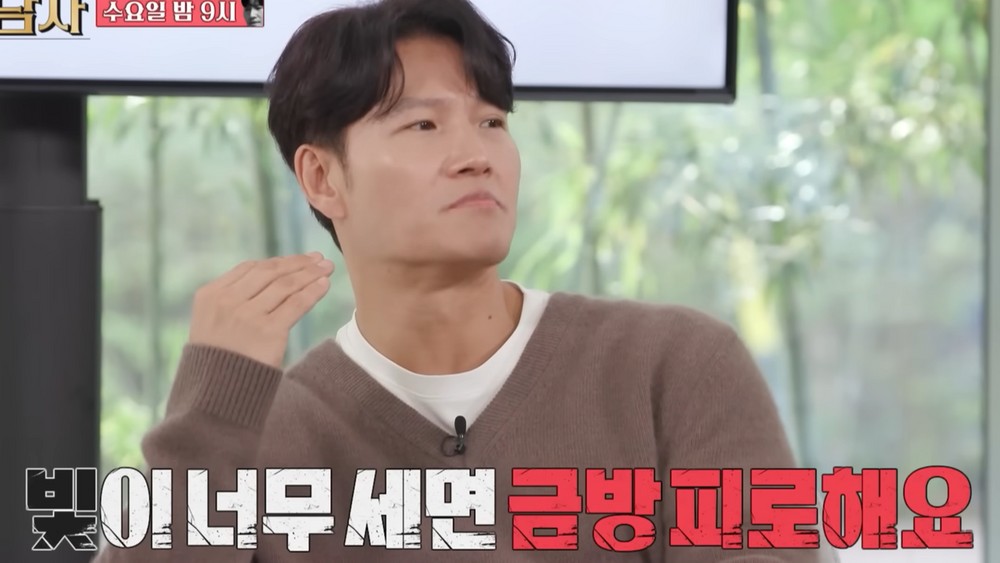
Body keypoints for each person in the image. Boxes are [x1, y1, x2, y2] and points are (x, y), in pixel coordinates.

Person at [94, 0, 829, 561]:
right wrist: (211, 415)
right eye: (423, 126)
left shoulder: (673, 366)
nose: (478, 155)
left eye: (492, 123)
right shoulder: (267, 436)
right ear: (321, 178)